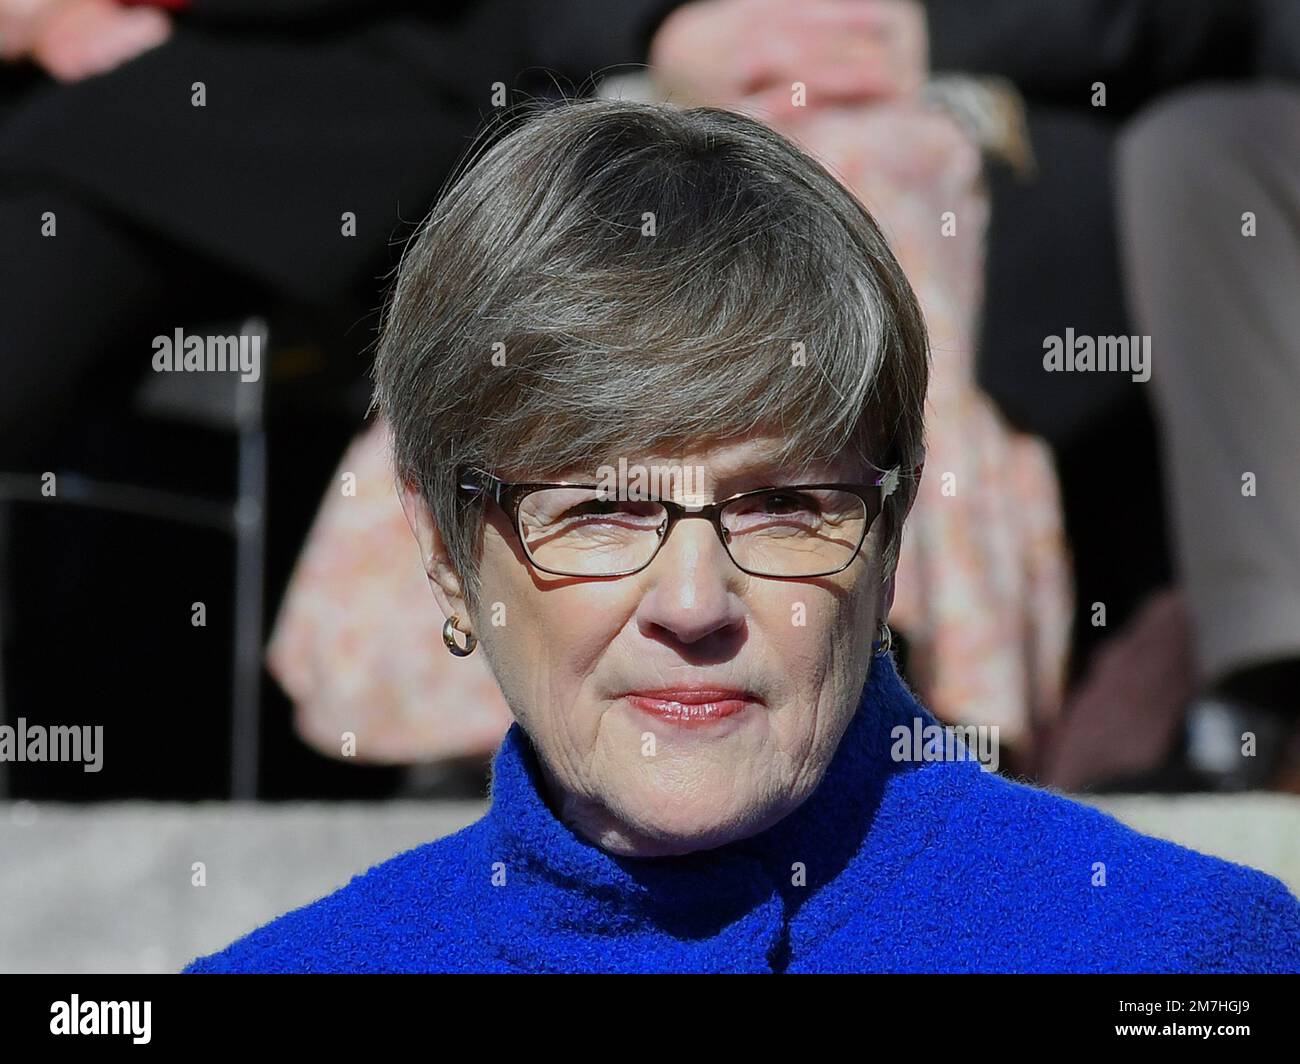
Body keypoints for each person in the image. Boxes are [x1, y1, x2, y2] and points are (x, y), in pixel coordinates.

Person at [183, 99, 1300, 973]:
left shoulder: (1179, 953)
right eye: (599, 509)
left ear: (892, 529)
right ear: (441, 550)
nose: (692, 602)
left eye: (783, 504)